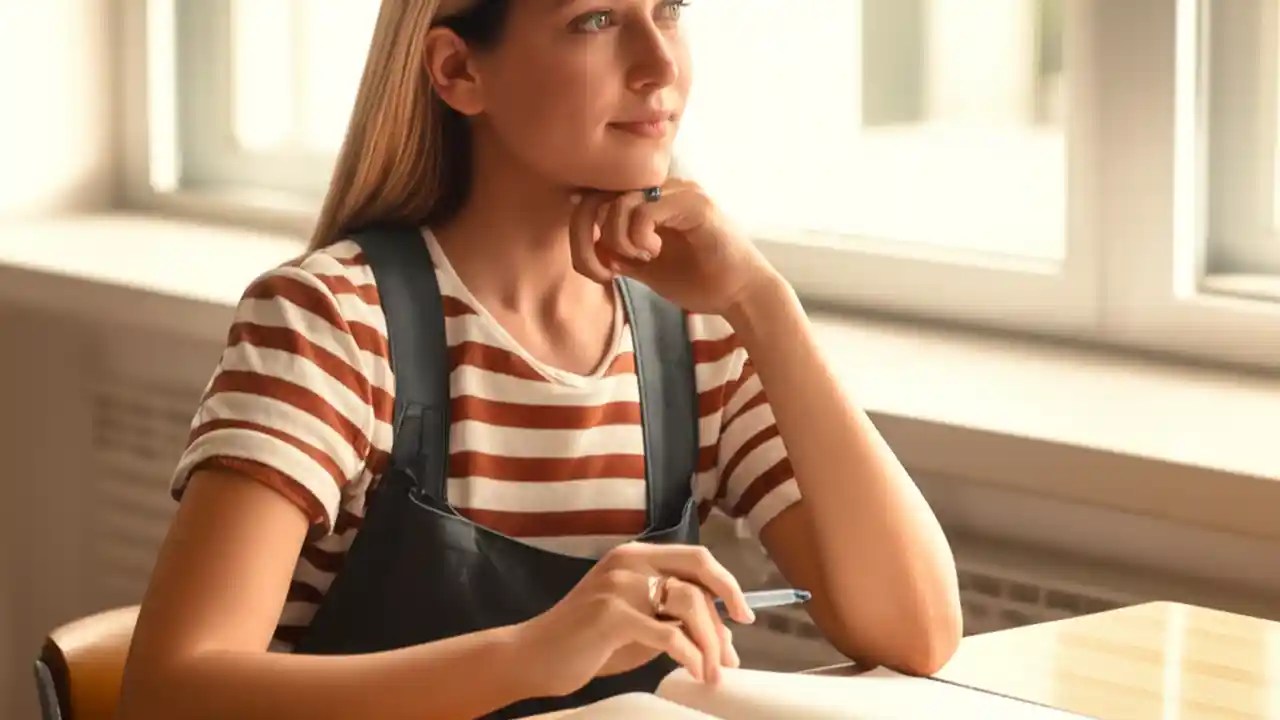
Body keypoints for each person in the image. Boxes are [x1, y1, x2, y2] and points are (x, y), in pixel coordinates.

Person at [115, 0, 962, 718]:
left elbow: (916, 631)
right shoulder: (333, 320)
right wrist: (530, 656)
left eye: (669, 9)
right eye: (595, 19)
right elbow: (168, 691)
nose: (659, 64)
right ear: (457, 72)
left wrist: (763, 302)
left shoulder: (696, 333)